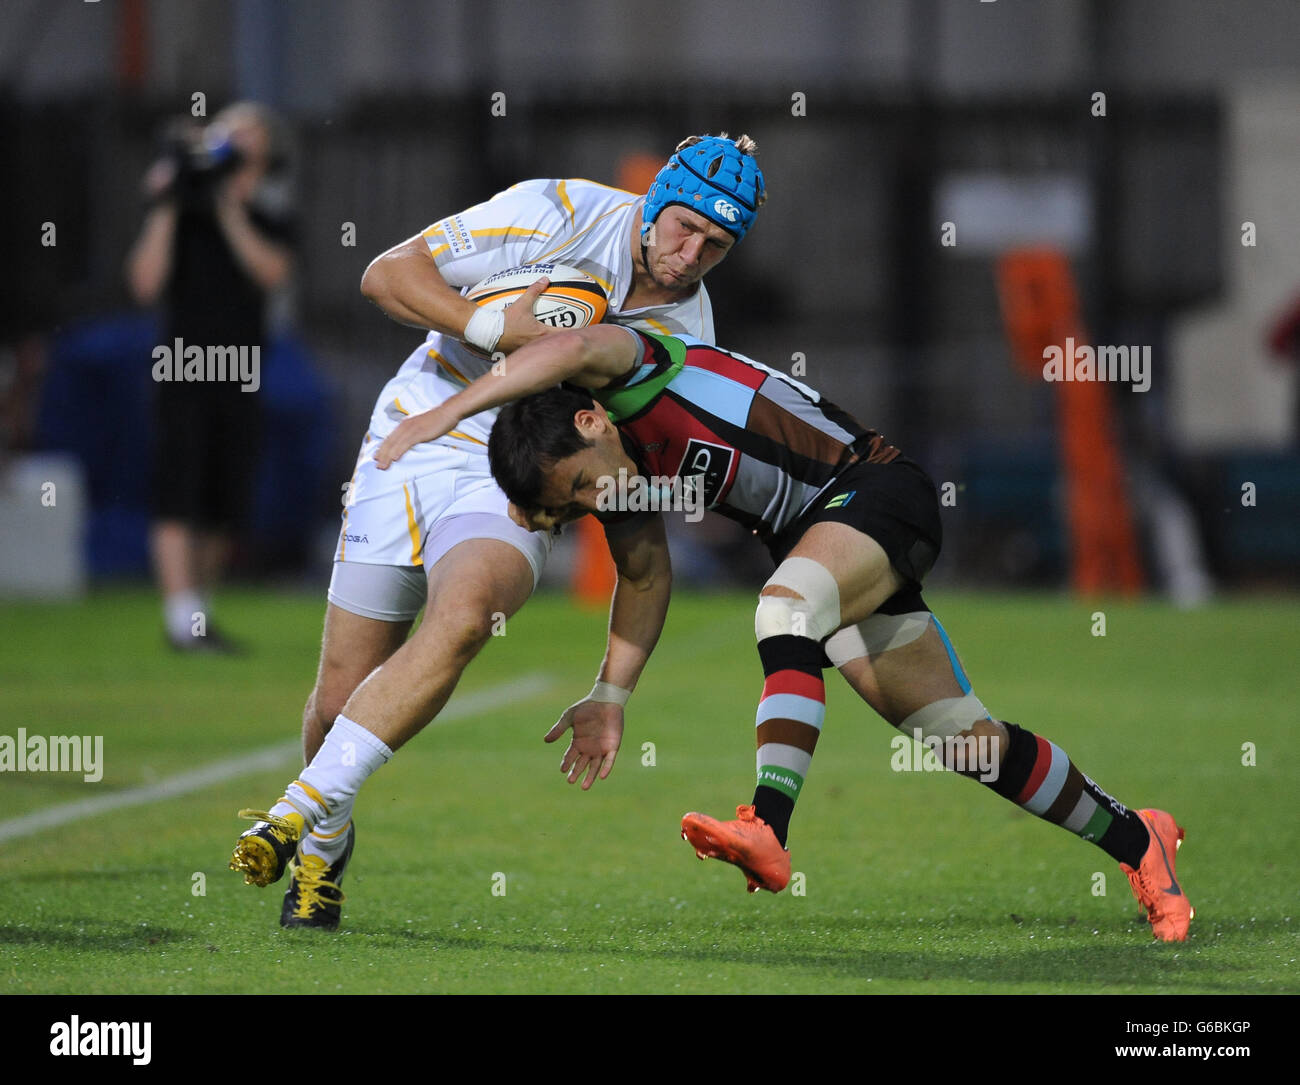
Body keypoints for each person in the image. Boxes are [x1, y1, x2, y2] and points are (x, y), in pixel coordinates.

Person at [374, 321, 1194, 943]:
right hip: (827, 543)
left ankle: (769, 825)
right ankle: (1140, 839)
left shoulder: (631, 366)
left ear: (591, 420)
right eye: (576, 505)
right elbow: (646, 578)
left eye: (583, 485)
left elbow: (571, 344)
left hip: (876, 490)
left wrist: (449, 411)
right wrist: (609, 695)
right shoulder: (622, 477)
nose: (595, 501)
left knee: (784, 609)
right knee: (965, 740)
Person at [228, 134, 766, 930]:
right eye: (685, 227)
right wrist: (488, 328)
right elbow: (386, 274)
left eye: (716, 245)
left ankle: (291, 812)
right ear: (656, 201)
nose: (691, 256)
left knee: (469, 612)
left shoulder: (689, 344)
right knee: (340, 698)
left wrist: (611, 693)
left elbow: (644, 555)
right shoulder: (557, 211)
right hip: (421, 421)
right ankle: (326, 839)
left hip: (519, 466)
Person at [126, 102, 296, 652]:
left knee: (225, 498)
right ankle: (181, 616)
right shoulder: (182, 215)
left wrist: (228, 205)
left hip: (240, 368)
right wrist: (170, 200)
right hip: (181, 364)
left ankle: (196, 614)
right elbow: (144, 284)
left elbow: (271, 271)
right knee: (177, 487)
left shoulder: (266, 215)